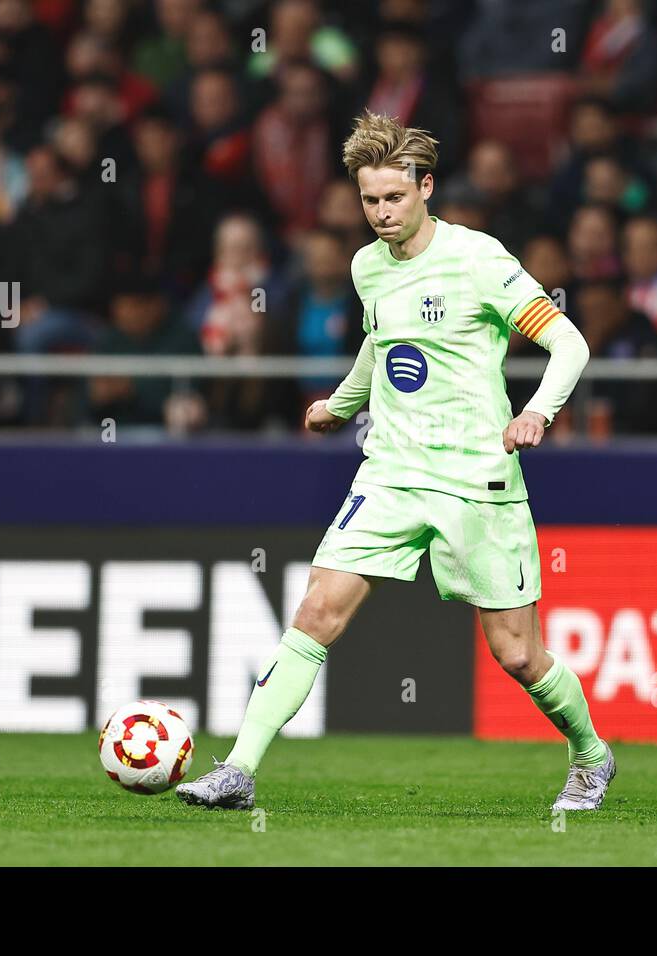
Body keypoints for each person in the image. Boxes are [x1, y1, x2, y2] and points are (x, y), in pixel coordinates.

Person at [177, 111, 612, 813]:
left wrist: (537, 412)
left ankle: (592, 755)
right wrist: (342, 406)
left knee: (518, 656)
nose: (381, 213)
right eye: (370, 200)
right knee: (318, 609)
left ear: (426, 188)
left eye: (394, 198)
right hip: (390, 471)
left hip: (478, 478)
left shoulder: (478, 260)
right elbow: (382, 348)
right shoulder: (366, 267)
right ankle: (239, 768)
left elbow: (571, 345)